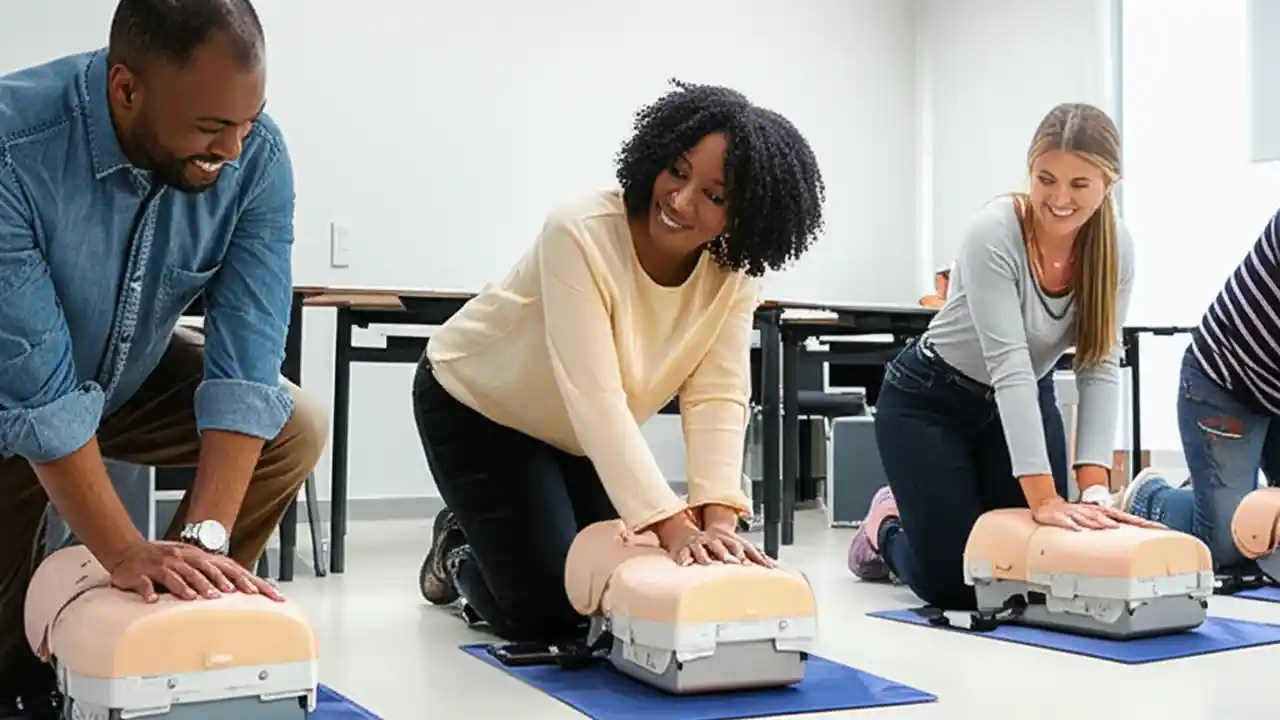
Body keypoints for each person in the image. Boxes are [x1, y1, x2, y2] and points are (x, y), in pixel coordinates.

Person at [411, 80, 826, 641]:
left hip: (577, 437)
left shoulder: (734, 274)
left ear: (744, 213)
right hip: (481, 406)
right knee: (550, 612)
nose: (680, 200)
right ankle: (459, 549)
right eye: (677, 172)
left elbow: (718, 393)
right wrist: (674, 525)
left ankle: (494, 532)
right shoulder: (579, 231)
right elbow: (595, 395)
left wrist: (718, 518)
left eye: (714, 195)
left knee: (616, 578)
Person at [0, 0, 325, 711]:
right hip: (12, 405)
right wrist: (123, 552)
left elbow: (246, 357)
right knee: (10, 669)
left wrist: (200, 547)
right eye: (212, 127)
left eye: (248, 119)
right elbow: (35, 390)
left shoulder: (256, 156)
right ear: (126, 90)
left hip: (121, 381)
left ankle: (169, 632)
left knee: (293, 424)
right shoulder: (12, 147)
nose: (235, 148)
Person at [845, 102, 1159, 609]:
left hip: (1020, 401)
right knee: (957, 585)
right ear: (1029, 173)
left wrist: (1094, 491)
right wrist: (1045, 499)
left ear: (1108, 184)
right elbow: (1008, 364)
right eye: (1046, 178)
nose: (1059, 198)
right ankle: (885, 524)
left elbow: (1099, 363)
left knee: (1030, 568)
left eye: (1080, 184)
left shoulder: (1116, 248)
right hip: (930, 402)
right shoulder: (993, 232)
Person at [1119, 206, 1280, 574]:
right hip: (1226, 381)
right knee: (1226, 547)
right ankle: (1149, 500)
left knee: (1264, 538)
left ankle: (1213, 491)